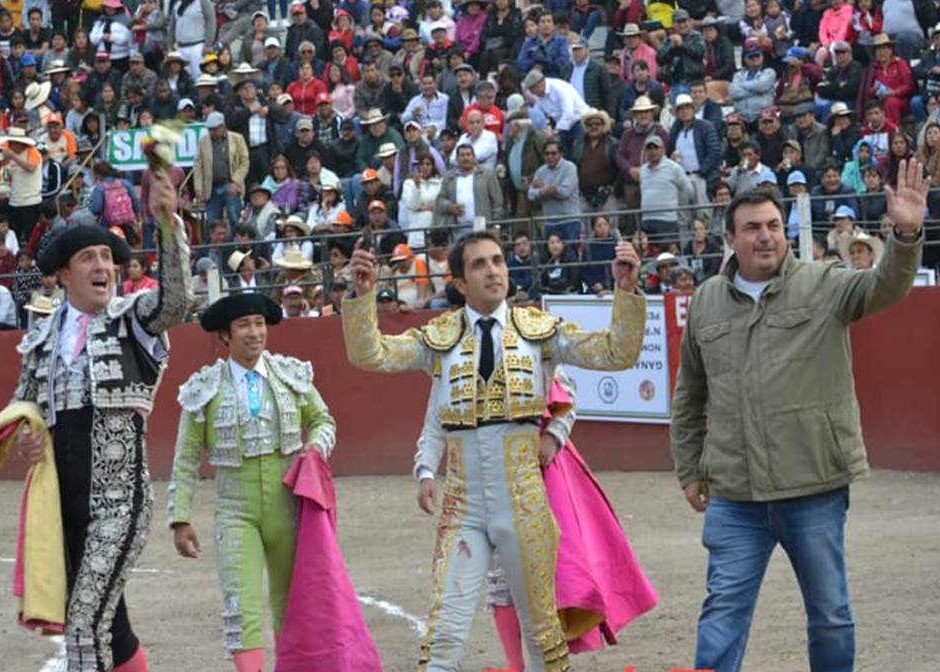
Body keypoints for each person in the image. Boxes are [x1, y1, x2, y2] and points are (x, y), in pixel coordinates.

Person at [342, 229, 646, 672]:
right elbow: (373, 355)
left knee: (544, 635)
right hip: (463, 506)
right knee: (443, 633)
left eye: (498, 261)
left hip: (523, 501)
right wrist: (362, 297)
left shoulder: (539, 331)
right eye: (480, 264)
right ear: (461, 283)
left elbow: (616, 353)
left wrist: (626, 290)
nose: (493, 271)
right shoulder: (439, 338)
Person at [670, 162, 927, 672]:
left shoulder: (824, 283)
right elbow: (689, 394)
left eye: (772, 226)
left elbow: (886, 286)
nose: (765, 237)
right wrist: (690, 467)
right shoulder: (706, 302)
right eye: (752, 228)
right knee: (721, 614)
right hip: (736, 493)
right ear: (730, 238)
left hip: (814, 484)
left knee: (830, 615)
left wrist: (906, 233)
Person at [11, 174, 192, 672]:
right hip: (61, 504)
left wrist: (166, 223)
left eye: (108, 258)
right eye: (89, 258)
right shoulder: (42, 335)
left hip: (118, 499)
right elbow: (21, 413)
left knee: (85, 620)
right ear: (64, 274)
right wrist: (25, 441)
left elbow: (176, 302)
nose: (103, 267)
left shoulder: (132, 317)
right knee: (111, 626)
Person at [167, 293, 337, 672]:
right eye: (244, 325)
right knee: (240, 606)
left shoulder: (290, 375)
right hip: (234, 509)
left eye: (259, 324)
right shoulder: (205, 387)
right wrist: (180, 518)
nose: (254, 332)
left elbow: (325, 420)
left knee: (291, 602)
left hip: (288, 504)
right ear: (225, 335)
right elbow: (186, 457)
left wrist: (314, 448)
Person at [193, 111, 250, 226]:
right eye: (209, 129)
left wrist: (236, 182)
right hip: (211, 188)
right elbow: (198, 165)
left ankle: (238, 243)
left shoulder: (237, 139)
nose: (211, 132)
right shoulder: (203, 141)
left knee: (235, 219)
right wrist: (198, 187)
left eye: (214, 129)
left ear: (222, 127)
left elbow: (245, 162)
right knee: (212, 223)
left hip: (230, 184)